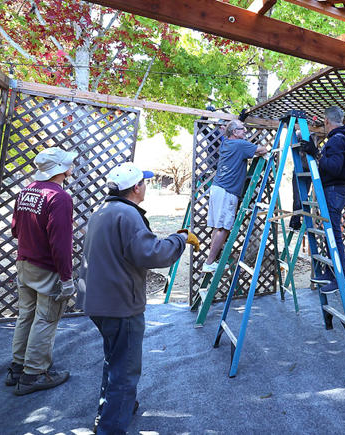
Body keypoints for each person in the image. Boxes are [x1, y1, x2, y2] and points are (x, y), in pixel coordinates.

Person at [83, 162, 200, 434]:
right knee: (125, 370)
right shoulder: (128, 214)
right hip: (120, 305)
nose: (146, 186)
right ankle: (111, 426)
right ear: (136, 187)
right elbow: (152, 254)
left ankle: (110, 410)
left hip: (98, 302)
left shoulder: (103, 210)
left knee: (114, 359)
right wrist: (179, 239)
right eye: (144, 182)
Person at [8, 146, 77, 395]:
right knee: (46, 319)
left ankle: (18, 367)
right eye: (68, 163)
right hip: (47, 268)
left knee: (26, 315)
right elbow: (60, 244)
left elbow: (15, 229)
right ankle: (33, 374)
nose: (72, 165)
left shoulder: (26, 191)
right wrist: (66, 278)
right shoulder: (59, 197)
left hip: (24, 263)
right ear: (60, 169)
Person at [300, 106, 345, 294]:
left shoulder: (337, 140)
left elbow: (333, 167)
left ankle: (341, 279)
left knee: (333, 235)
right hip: (337, 190)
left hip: (334, 190)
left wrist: (316, 153)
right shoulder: (343, 138)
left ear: (326, 121)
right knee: (330, 233)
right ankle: (331, 273)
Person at [202, 119, 268, 273]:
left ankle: (211, 261)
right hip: (227, 191)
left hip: (217, 188)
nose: (245, 130)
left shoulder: (226, 143)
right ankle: (209, 262)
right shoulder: (240, 144)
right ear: (234, 132)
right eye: (242, 128)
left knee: (217, 227)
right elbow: (263, 149)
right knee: (224, 228)